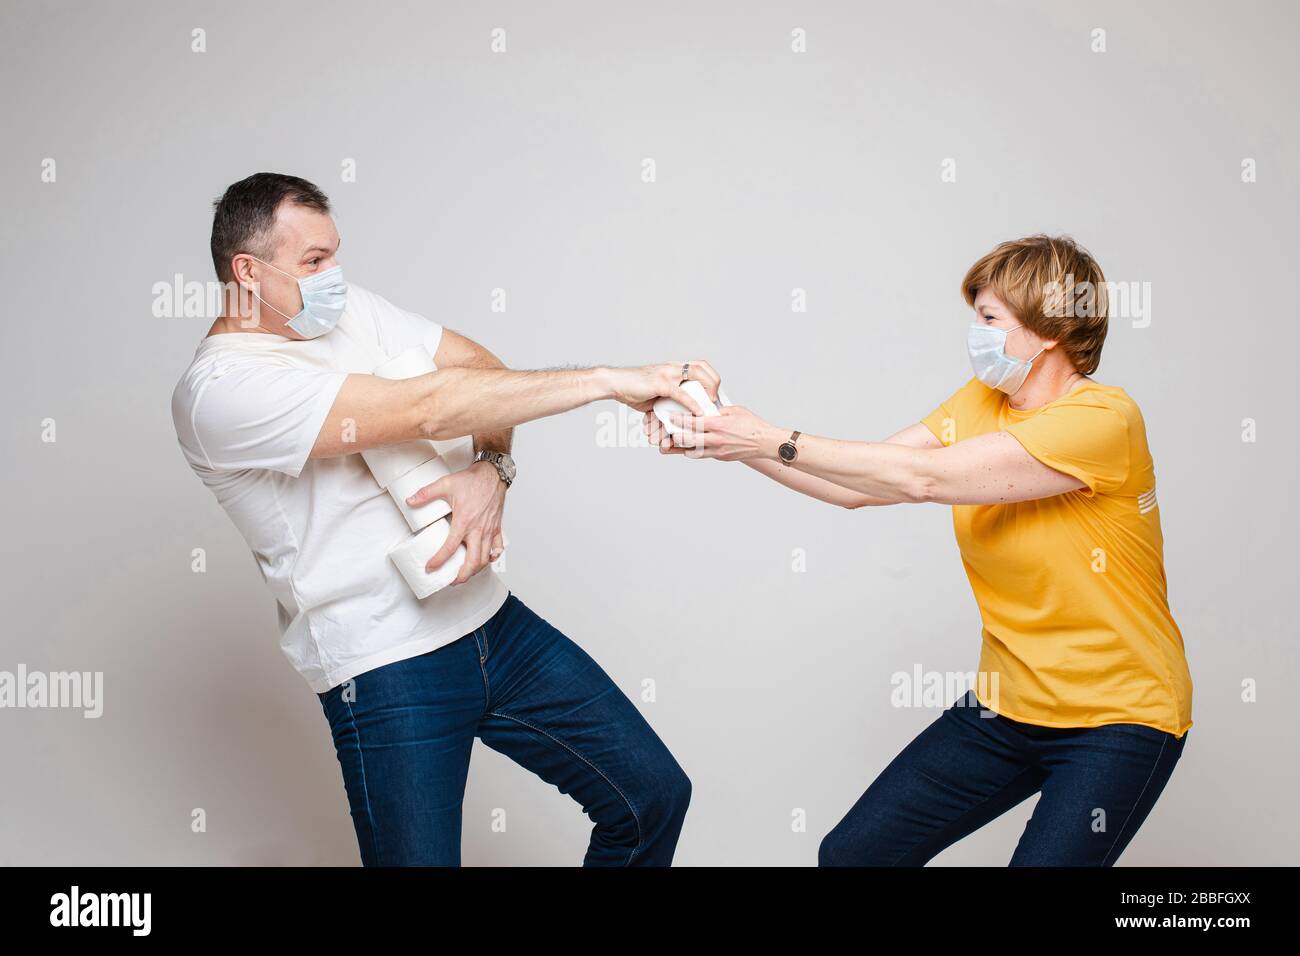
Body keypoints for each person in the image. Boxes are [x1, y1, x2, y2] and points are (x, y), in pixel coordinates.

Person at [172, 172, 712, 866]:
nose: (333, 276)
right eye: (313, 262)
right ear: (248, 272)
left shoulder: (340, 309)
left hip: (494, 625)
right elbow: (432, 406)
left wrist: (493, 469)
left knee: (651, 798)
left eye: (334, 254)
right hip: (386, 668)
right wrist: (610, 382)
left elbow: (480, 370)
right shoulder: (221, 393)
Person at [645, 235, 1193, 866]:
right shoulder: (983, 402)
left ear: (1049, 331)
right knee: (856, 856)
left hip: (1118, 719)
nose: (975, 332)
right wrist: (727, 441)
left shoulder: (1103, 420)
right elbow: (858, 486)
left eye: (991, 318)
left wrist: (768, 436)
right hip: (1007, 706)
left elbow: (922, 479)